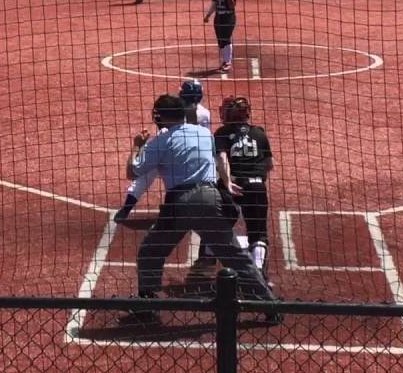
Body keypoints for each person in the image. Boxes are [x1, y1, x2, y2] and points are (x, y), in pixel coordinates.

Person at [113, 94, 279, 325]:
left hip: (179, 204)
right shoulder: (204, 134)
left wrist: (137, 146)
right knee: (235, 257)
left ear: (160, 117)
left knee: (150, 252)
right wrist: (227, 181)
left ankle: (147, 306)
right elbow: (220, 159)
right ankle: (270, 305)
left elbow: (133, 172)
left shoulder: (161, 142)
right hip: (211, 200)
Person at [208, 96, 275, 283]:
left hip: (233, 185)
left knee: (219, 222)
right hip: (256, 186)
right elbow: (270, 164)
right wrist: (258, 179)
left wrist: (228, 182)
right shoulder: (259, 133)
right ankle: (259, 271)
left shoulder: (222, 132)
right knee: (258, 232)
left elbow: (222, 160)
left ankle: (208, 257)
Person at [203, 0, 238, 72]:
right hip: (218, 18)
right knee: (220, 40)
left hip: (229, 17)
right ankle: (224, 60)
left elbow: (232, 6)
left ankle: (228, 62)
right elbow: (214, 4)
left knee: (226, 38)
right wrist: (208, 15)